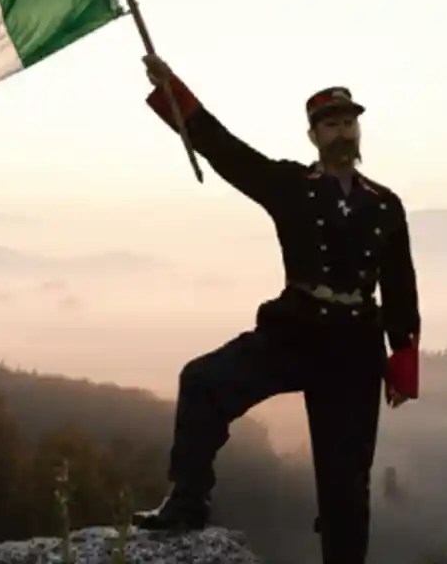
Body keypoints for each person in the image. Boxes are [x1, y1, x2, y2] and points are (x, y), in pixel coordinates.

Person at [132, 54, 421, 564]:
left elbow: (400, 284)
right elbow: (227, 152)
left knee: (346, 486)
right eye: (330, 125)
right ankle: (188, 501)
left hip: (355, 349)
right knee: (202, 382)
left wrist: (403, 356)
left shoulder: (385, 204)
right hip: (295, 331)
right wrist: (173, 90)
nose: (342, 132)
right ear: (313, 136)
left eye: (348, 122)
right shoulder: (291, 187)